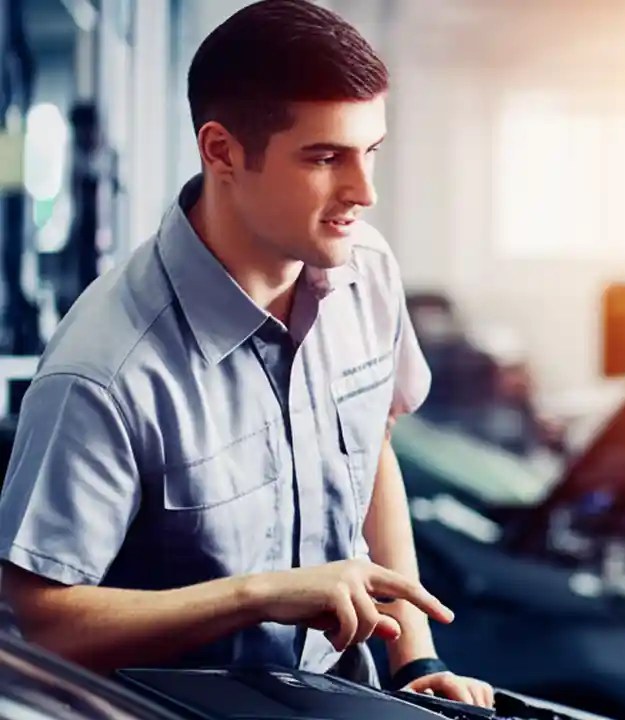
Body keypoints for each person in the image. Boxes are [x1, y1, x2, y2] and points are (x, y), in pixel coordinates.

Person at [0, 0, 496, 708]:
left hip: (340, 698)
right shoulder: (105, 371)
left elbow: (371, 447)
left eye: (371, 152)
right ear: (223, 151)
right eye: (326, 158)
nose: (364, 192)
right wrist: (256, 597)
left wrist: (414, 662)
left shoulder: (368, 270)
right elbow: (40, 628)